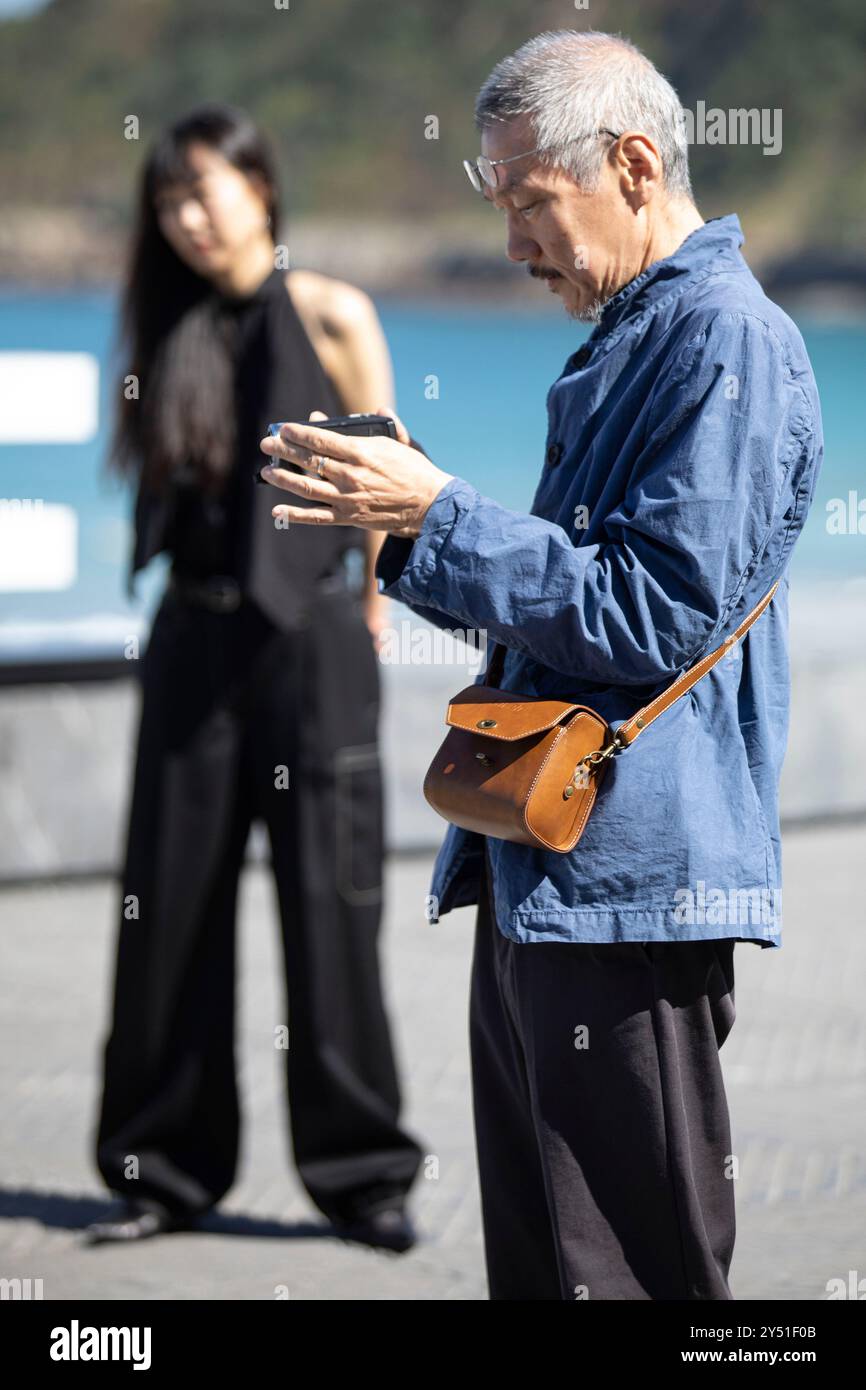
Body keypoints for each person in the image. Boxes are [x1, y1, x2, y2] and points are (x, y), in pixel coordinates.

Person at [258, 31, 824, 1298]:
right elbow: (576, 615)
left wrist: (437, 510)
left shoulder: (723, 339)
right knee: (552, 1263)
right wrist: (407, 517)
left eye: (528, 201)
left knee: (626, 1268)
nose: (514, 245)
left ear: (632, 162)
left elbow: (648, 615)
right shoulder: (645, 333)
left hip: (630, 878)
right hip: (551, 866)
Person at [86, 103, 422, 1252]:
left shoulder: (333, 311)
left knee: (332, 908)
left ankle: (364, 1174)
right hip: (192, 643)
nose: (186, 216)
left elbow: (390, 483)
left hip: (314, 649)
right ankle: (160, 1170)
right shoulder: (161, 327)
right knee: (167, 913)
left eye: (203, 189)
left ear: (259, 189)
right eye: (167, 200)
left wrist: (374, 613)